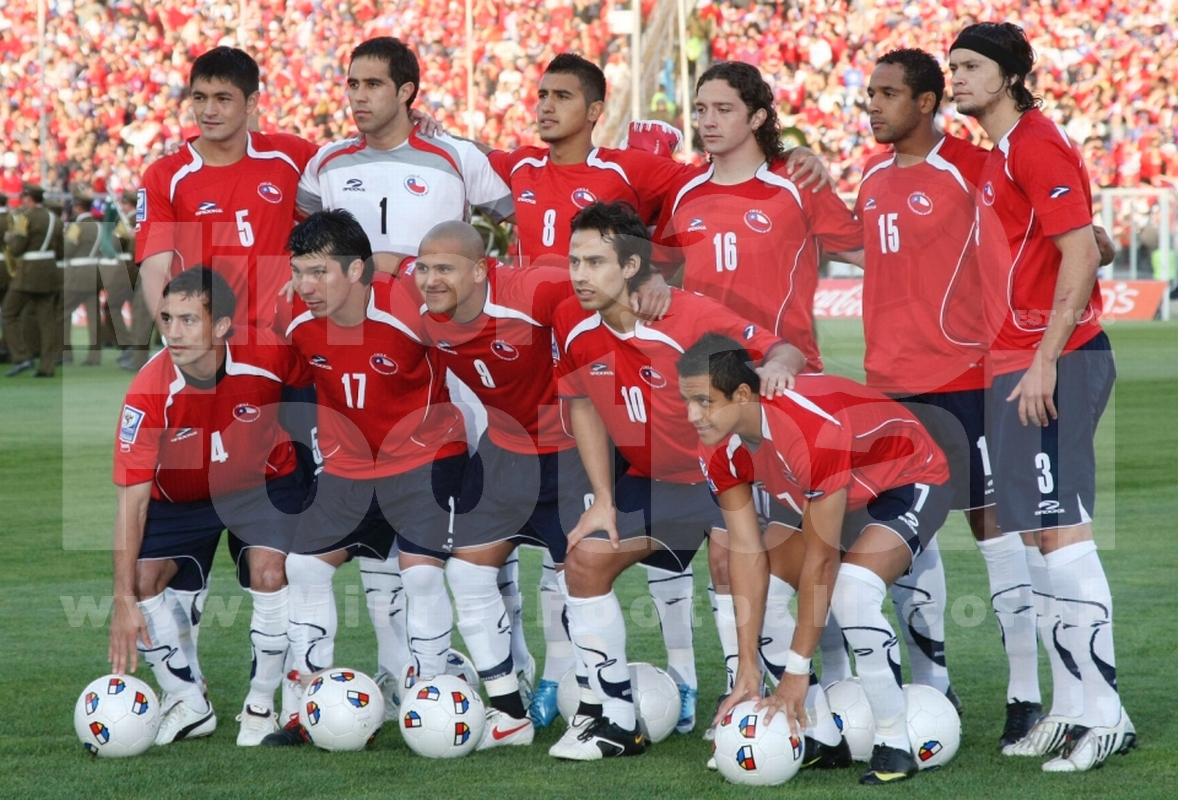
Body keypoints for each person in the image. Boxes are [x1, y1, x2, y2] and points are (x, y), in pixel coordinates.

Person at [294, 37, 528, 722]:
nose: (358, 96)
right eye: (351, 83)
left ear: (406, 92)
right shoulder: (326, 164)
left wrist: (466, 283)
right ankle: (406, 676)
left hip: (449, 366)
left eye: (372, 84)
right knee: (379, 542)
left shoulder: (455, 156)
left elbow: (524, 216)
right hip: (362, 358)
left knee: (478, 537)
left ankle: (513, 666)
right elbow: (315, 246)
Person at [547, 201, 805, 761]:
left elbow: (783, 348)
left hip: (725, 476)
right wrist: (604, 498)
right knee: (584, 561)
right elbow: (583, 404)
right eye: (574, 262)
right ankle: (614, 719)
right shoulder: (569, 320)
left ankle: (743, 700)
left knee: (728, 561)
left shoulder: (688, 317)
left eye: (595, 262)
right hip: (654, 481)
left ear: (632, 266)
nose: (580, 275)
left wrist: (778, 368)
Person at [950, 22, 1132, 772]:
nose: (957, 78)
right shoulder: (1002, 153)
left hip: (1051, 362)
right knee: (1035, 539)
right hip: (1016, 363)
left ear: (1009, 75)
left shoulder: (1033, 143)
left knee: (1062, 535)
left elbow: (1081, 251)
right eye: (953, 66)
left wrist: (1046, 360)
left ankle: (1106, 714)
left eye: (970, 66)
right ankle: (1069, 707)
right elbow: (1087, 239)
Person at [681, 333, 954, 785]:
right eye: (687, 401)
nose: (693, 415)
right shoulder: (716, 443)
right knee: (763, 592)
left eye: (704, 401)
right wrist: (747, 666)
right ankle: (822, 736)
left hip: (905, 477)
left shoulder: (808, 429)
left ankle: (894, 742)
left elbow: (822, 564)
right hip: (833, 491)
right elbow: (746, 551)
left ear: (743, 395)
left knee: (852, 592)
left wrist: (795, 670)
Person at [856, 47, 1030, 736]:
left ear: (926, 102)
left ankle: (1024, 696)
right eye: (870, 93)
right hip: (889, 390)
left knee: (995, 531)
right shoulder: (872, 177)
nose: (873, 105)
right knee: (908, 535)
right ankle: (934, 688)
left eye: (887, 93)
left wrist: (1093, 240)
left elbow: (1039, 229)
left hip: (965, 380)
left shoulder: (972, 167)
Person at [267, 209, 469, 746]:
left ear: (357, 270)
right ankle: (307, 706)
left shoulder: (410, 303)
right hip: (349, 467)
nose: (305, 286)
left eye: (319, 272)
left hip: (425, 457)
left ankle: (432, 700)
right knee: (303, 567)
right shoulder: (293, 317)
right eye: (298, 272)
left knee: (420, 576)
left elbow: (474, 302)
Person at [399, 219, 591, 749]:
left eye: (445, 268)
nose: (431, 279)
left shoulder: (533, 291)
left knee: (581, 581)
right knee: (466, 573)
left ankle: (597, 702)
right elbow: (375, 273)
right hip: (504, 451)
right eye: (424, 268)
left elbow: (599, 281)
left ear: (483, 270)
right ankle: (509, 715)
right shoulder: (423, 307)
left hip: (568, 451)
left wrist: (649, 281)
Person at [107, 266, 310, 746]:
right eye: (166, 318)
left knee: (271, 573)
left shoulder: (268, 353)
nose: (173, 333)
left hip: (261, 484)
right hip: (181, 500)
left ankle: (262, 704)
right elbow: (131, 504)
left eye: (188, 320)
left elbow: (305, 390)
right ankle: (188, 701)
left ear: (220, 326)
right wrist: (121, 598)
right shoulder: (149, 390)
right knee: (141, 582)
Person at [136, 46, 318, 335]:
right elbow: (155, 268)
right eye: (200, 98)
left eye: (222, 99)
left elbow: (352, 176)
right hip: (213, 344)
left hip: (286, 340)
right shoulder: (165, 176)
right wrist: (177, 336)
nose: (209, 111)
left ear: (251, 102)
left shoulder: (289, 155)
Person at [3, 184, 63, 377]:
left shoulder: (25, 218)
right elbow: (61, 251)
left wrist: (10, 239)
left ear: (28, 199)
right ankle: (47, 366)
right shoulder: (55, 219)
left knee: (9, 313)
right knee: (47, 321)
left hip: (28, 273)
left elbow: (16, 249)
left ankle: (22, 357)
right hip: (49, 271)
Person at [61, 192, 104, 366]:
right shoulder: (99, 226)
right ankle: (95, 356)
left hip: (77, 275)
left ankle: (66, 354)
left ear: (78, 207)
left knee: (62, 312)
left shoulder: (76, 227)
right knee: (94, 317)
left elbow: (67, 250)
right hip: (95, 272)